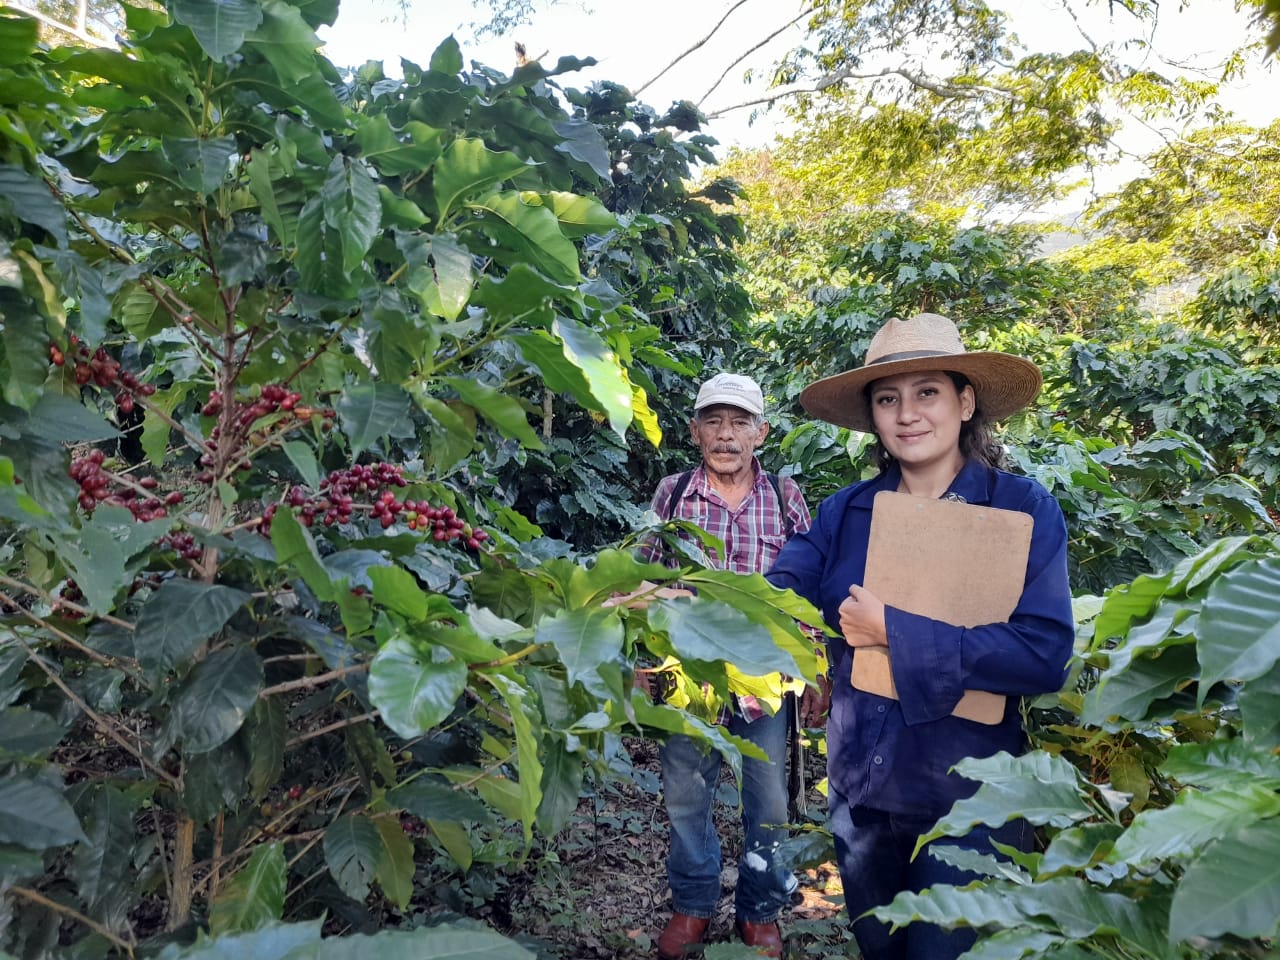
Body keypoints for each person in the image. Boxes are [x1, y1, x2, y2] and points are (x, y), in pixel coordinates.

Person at [765, 313, 1074, 960]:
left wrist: (893, 630)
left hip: (968, 803)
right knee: (879, 950)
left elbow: (1043, 655)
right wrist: (682, 592)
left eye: (927, 391)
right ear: (872, 417)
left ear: (965, 402)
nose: (907, 413)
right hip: (862, 796)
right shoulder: (843, 513)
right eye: (888, 398)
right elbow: (777, 585)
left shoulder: (1021, 511)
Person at [642, 373, 815, 960]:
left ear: (760, 433)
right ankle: (692, 905)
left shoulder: (786, 496)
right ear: (694, 432)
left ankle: (760, 910)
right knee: (686, 792)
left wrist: (813, 663)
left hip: (762, 677)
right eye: (713, 421)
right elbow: (642, 578)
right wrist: (641, 652)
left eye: (740, 422)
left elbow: (807, 585)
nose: (726, 434)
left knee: (766, 797)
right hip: (685, 667)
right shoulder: (672, 494)